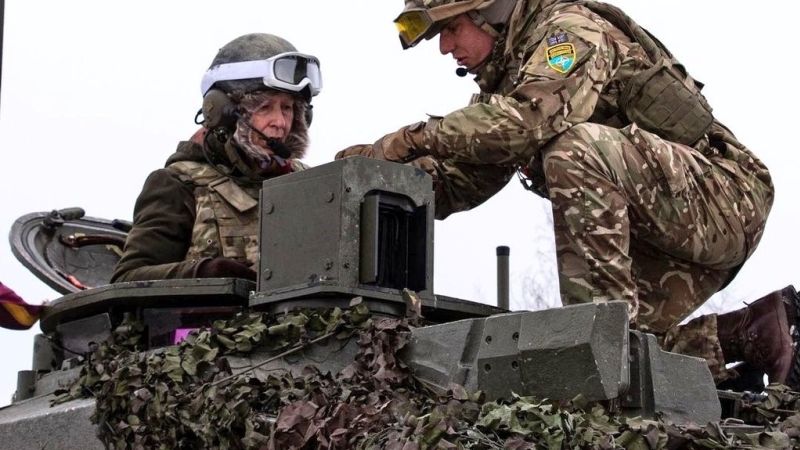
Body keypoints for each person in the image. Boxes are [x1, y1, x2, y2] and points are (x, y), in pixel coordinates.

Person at [336, 0, 794, 386]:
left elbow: (524, 124)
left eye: (451, 29)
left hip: (725, 199)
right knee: (610, 354)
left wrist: (410, 138)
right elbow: (462, 181)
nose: (444, 47)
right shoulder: (506, 92)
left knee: (575, 153)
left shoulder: (569, 32)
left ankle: (605, 340)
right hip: (667, 227)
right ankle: (752, 336)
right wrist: (373, 176)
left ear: (489, 12)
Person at [113, 33, 321, 282]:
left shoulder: (309, 184)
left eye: (287, 108)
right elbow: (127, 279)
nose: (280, 122)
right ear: (225, 112)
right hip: (207, 321)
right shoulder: (179, 184)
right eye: (265, 107)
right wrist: (203, 273)